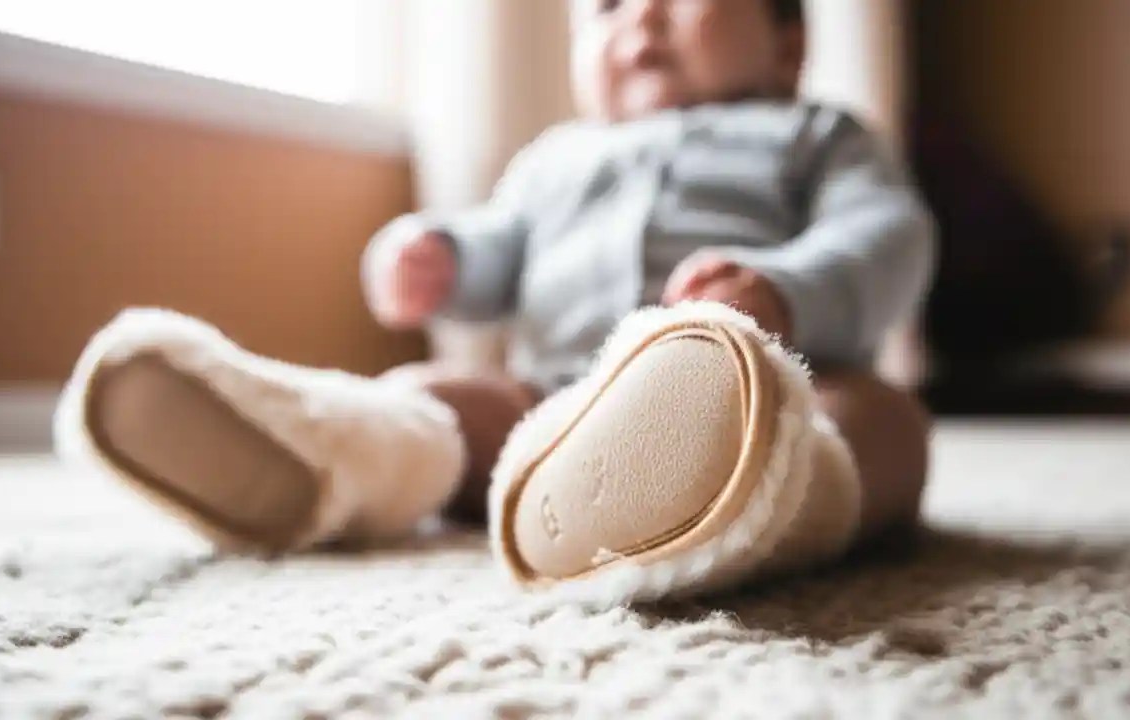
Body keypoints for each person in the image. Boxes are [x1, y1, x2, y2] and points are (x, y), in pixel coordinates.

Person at [55, 0, 935, 601]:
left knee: (884, 419)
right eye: (608, 7)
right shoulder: (558, 158)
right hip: (543, 415)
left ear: (787, 47)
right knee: (433, 393)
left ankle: (783, 500)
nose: (641, 19)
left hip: (762, 400)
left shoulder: (815, 134)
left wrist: (783, 289)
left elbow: (887, 236)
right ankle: (318, 454)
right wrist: (436, 255)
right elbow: (497, 244)